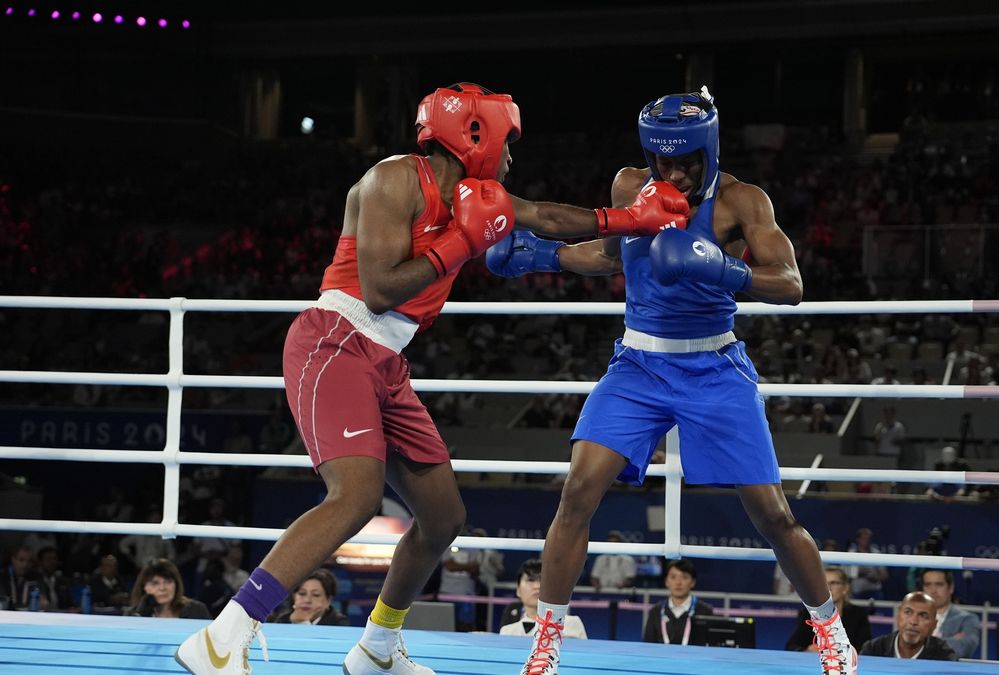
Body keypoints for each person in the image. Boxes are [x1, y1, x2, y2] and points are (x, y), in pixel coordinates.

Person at [176, 82, 687, 675]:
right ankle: (222, 636)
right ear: (477, 136)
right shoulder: (392, 179)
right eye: (508, 144)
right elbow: (379, 288)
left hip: (387, 360)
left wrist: (633, 217)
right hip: (336, 339)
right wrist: (461, 241)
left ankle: (376, 648)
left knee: (443, 518)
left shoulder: (482, 192)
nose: (511, 158)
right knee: (356, 495)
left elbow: (548, 217)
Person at [490, 89, 857, 675]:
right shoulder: (628, 186)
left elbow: (790, 282)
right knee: (577, 493)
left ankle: (833, 637)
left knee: (774, 516)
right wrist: (545, 257)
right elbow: (613, 255)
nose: (677, 173)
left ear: (709, 151)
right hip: (638, 366)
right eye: (666, 163)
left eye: (688, 161)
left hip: (714, 368)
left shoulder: (741, 200)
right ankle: (547, 640)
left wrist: (717, 263)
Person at [786, 567, 872, 652]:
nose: (828, 588)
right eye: (824, 583)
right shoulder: (809, 613)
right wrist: (806, 651)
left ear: (845, 588)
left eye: (833, 583)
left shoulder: (858, 614)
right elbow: (792, 646)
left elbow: (864, 650)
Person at [500, 559, 587, 639]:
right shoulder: (507, 631)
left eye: (543, 580)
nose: (537, 586)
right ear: (518, 590)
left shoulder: (572, 624)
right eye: (530, 580)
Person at [858, 591, 957, 660]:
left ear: (934, 625)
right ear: (898, 616)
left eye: (923, 616)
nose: (913, 622)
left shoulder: (943, 656)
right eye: (908, 612)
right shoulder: (874, 649)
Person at [641, 559, 714, 645]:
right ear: (666, 582)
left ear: (693, 582)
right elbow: (648, 647)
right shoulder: (655, 612)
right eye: (673, 577)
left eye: (684, 577)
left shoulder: (705, 612)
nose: (678, 582)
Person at [920, 569, 980, 658]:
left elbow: (962, 649)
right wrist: (951, 640)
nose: (933, 591)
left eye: (939, 584)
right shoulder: (913, 618)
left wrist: (921, 643)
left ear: (951, 588)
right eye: (928, 585)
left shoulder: (967, 619)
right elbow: (903, 646)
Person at [129, 558, 211, 619]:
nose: (162, 588)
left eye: (168, 582)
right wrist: (141, 616)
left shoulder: (197, 610)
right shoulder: (133, 615)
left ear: (176, 585)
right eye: (155, 583)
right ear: (144, 588)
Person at [269, 569, 349, 626]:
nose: (307, 600)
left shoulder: (339, 623)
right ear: (294, 597)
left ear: (328, 601)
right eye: (302, 593)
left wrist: (303, 623)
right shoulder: (282, 621)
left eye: (316, 595)